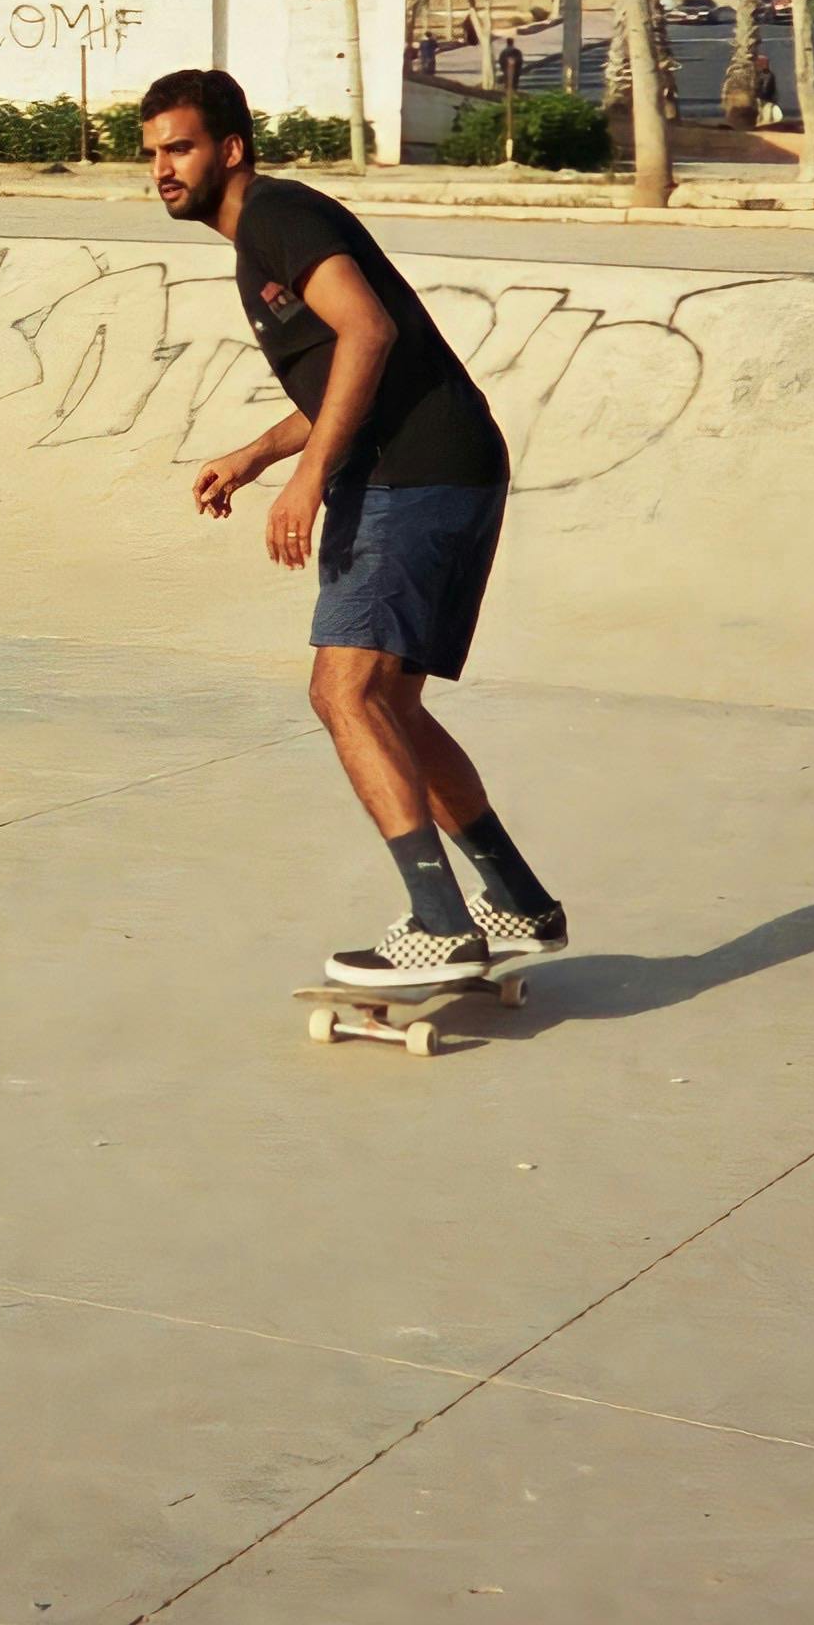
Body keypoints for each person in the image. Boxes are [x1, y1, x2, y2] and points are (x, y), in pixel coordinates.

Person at [142, 65, 566, 993]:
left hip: (413, 477)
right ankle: (518, 903)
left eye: (178, 148)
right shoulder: (264, 239)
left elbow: (369, 334)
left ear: (230, 149)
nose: (162, 170)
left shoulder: (276, 219)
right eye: (152, 156)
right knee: (390, 705)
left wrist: (308, 479)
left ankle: (440, 922)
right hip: (442, 466)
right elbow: (349, 369)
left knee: (343, 694)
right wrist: (258, 454)